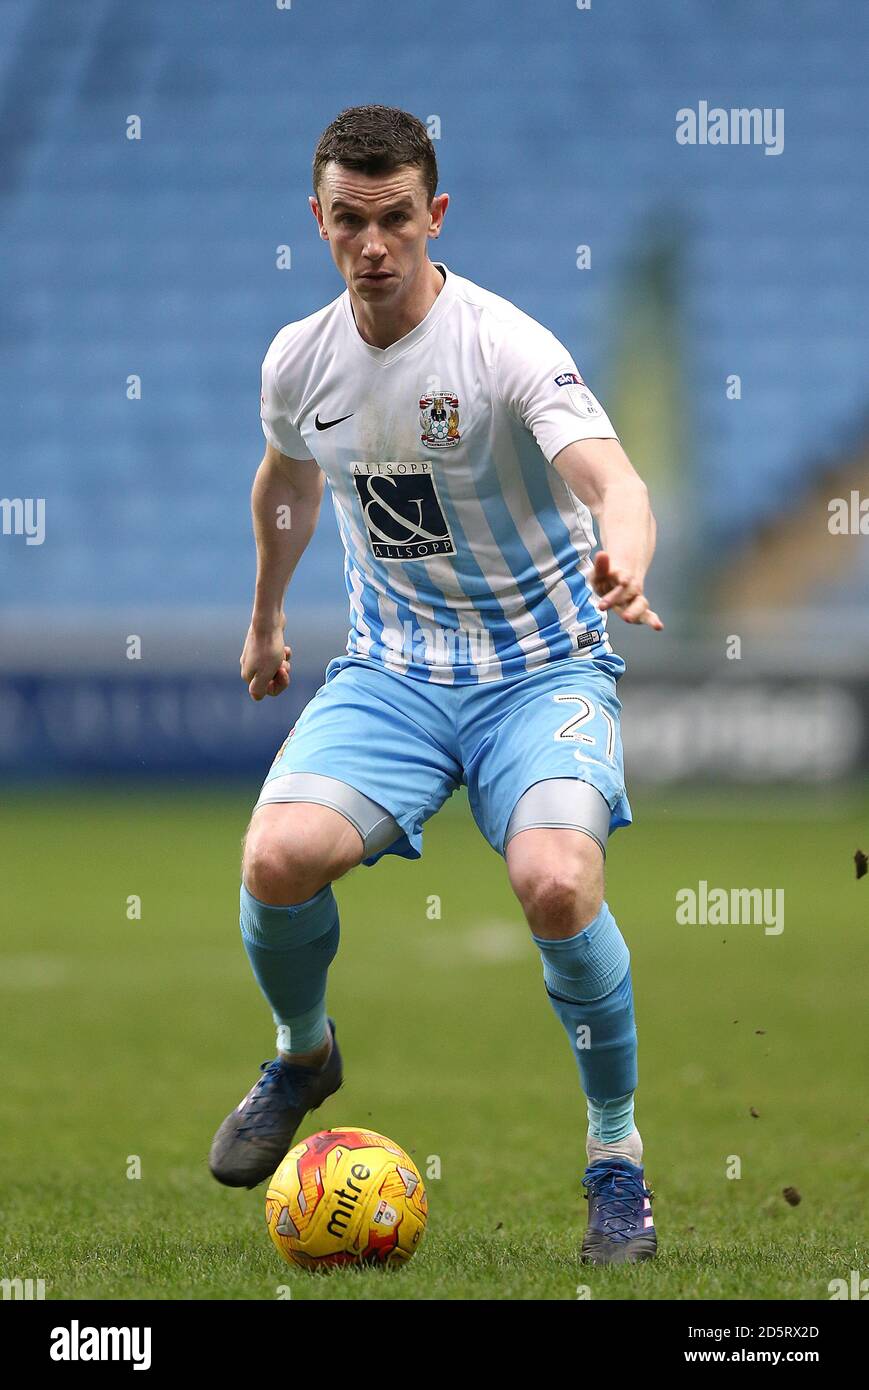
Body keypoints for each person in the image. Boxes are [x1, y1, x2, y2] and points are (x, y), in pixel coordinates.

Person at [209, 105, 663, 1265]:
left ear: (433, 215)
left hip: (540, 665)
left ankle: (615, 1160)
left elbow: (610, 475)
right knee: (273, 859)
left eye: (395, 218)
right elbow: (286, 486)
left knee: (556, 882)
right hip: (394, 673)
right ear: (317, 220)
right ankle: (304, 1053)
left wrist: (625, 553)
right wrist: (264, 619)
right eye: (349, 220)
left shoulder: (505, 346)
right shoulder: (297, 358)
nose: (373, 244)